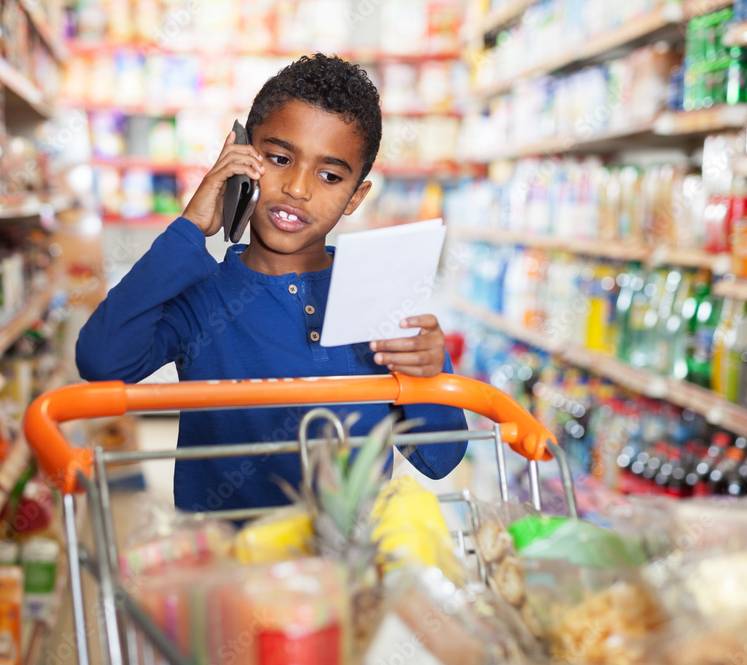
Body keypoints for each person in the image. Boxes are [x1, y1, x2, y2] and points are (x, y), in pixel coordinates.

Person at [76, 54, 467, 513]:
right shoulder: (202, 296)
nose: (298, 188)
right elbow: (101, 362)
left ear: (355, 197)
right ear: (240, 159)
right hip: (231, 569)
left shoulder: (376, 295)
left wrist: (427, 371)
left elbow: (441, 457)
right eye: (280, 158)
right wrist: (189, 229)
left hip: (346, 571)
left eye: (330, 175)